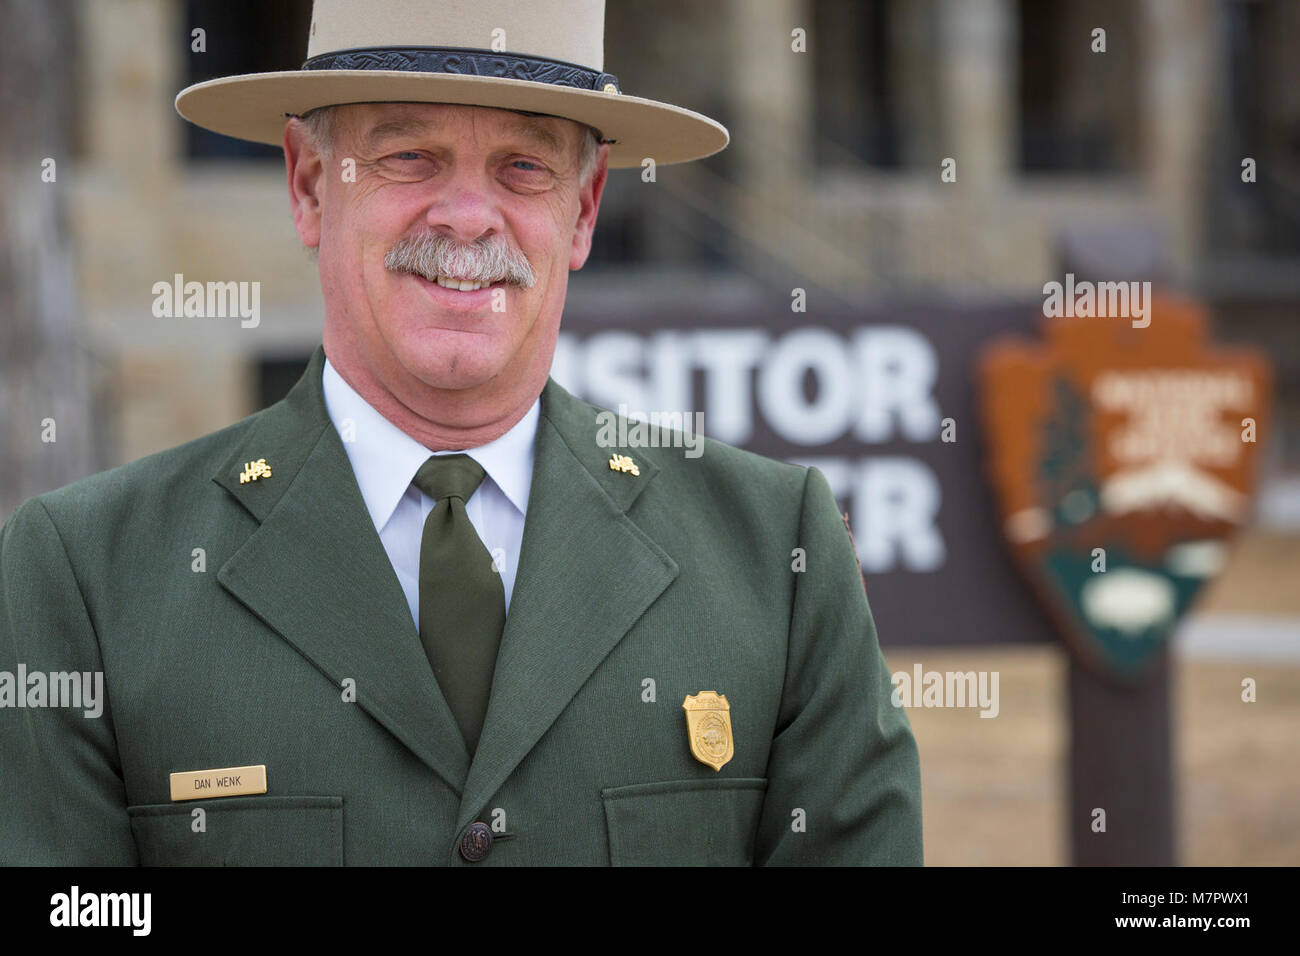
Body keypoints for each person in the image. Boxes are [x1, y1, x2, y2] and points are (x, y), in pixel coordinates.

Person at [0, 0, 922, 865]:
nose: (468, 217)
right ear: (311, 183)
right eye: (410, 157)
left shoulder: (774, 554)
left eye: (524, 167)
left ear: (586, 207)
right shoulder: (86, 577)